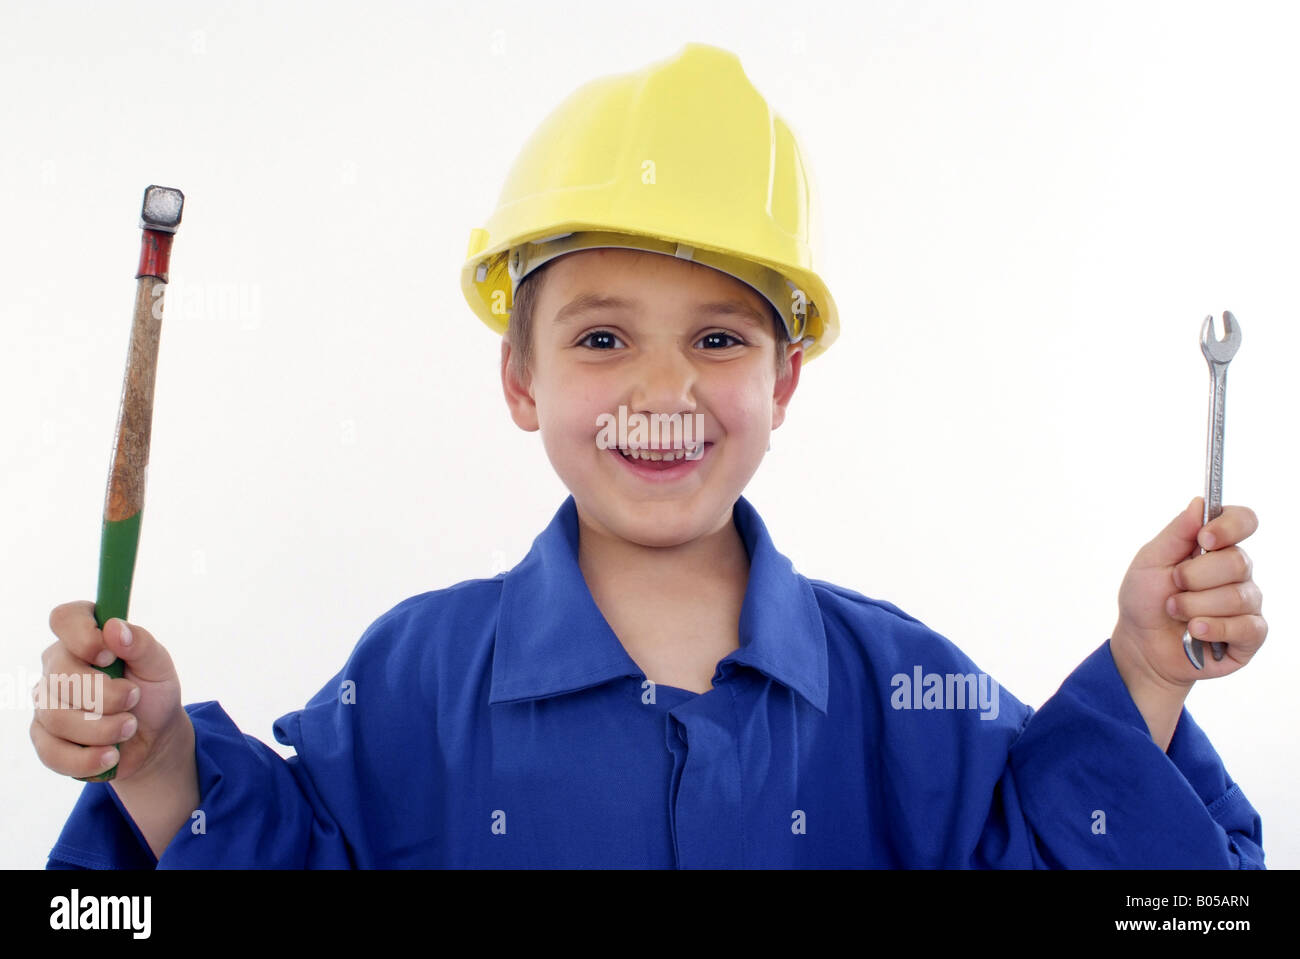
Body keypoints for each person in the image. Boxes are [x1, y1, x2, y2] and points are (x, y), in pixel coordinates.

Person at [35, 43, 1265, 868]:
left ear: (784, 379)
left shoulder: (904, 686)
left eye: (719, 336)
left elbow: (1065, 856)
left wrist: (1145, 670)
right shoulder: (413, 678)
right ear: (522, 379)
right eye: (603, 335)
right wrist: (163, 761)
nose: (663, 388)